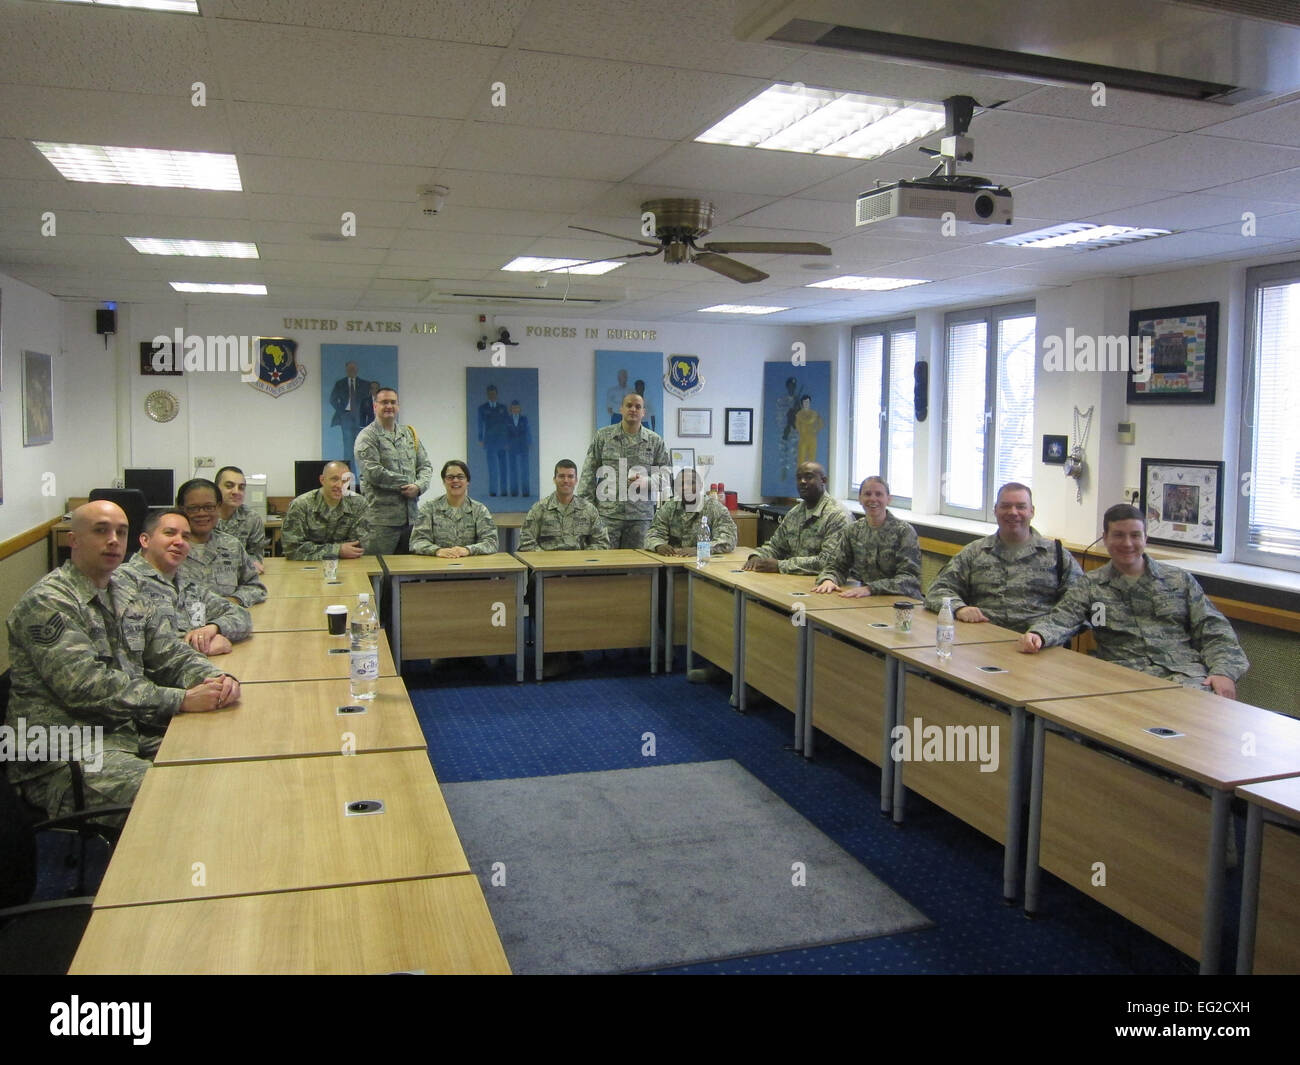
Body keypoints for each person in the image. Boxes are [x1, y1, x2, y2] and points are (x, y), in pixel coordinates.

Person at [5, 501, 238, 818]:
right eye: (101, 531)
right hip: (66, 753)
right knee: (178, 798)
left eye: (121, 531)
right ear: (74, 540)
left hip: (128, 731)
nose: (113, 539)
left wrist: (215, 680)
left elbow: (167, 651)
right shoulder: (48, 602)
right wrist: (180, 699)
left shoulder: (125, 591)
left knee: (229, 760)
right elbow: (86, 687)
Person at [1019, 503, 1249, 696]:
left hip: (1185, 678)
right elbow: (1062, 619)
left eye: (1135, 535)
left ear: (1145, 538)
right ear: (1105, 539)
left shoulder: (1178, 580)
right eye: (1118, 535)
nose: (1127, 543)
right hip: (1120, 679)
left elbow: (1215, 631)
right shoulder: (1091, 585)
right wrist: (1038, 635)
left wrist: (1223, 672)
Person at [924, 482, 1083, 632]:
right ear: (995, 510)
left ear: (1032, 511)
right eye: (1005, 506)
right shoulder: (975, 552)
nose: (1013, 512)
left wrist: (1045, 633)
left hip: (1039, 643)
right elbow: (937, 590)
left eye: (1021, 507)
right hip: (982, 639)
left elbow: (1079, 604)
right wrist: (959, 608)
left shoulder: (1056, 555)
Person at [119, 509, 252, 655]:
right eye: (169, 533)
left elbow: (242, 617)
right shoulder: (124, 581)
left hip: (201, 671)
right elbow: (133, 646)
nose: (179, 542)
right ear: (145, 540)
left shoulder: (188, 586)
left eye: (186, 537)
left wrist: (213, 628)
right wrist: (200, 646)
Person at [578, 391, 670, 548]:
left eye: (637, 406)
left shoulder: (655, 441)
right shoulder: (603, 437)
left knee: (639, 567)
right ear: (621, 409)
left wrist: (647, 481)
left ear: (643, 412)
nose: (633, 409)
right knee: (605, 566)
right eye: (629, 405)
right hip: (607, 516)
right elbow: (588, 475)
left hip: (640, 518)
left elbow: (666, 477)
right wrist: (587, 512)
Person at [814, 476, 922, 598]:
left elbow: (909, 579)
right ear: (860, 499)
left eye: (879, 494)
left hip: (902, 602)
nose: (873, 499)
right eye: (867, 494)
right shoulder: (853, 530)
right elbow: (836, 566)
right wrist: (829, 580)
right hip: (868, 599)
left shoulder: (904, 532)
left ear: (889, 499)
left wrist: (871, 588)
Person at [354, 386, 432, 554]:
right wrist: (407, 484)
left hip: (411, 519)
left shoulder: (409, 434)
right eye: (384, 402)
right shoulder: (367, 437)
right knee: (377, 574)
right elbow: (373, 472)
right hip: (380, 523)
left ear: (398, 406)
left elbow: (425, 466)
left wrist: (418, 487)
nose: (389, 406)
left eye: (393, 402)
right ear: (375, 406)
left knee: (408, 575)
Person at [743, 461, 849, 575]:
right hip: (793, 579)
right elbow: (775, 546)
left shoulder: (837, 515)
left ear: (823, 481)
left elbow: (829, 562)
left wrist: (780, 565)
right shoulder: (795, 513)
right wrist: (756, 557)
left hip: (825, 585)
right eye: (799, 478)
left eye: (809, 477)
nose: (802, 482)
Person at [176, 479, 267, 606]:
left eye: (209, 507)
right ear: (181, 509)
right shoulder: (169, 547)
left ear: (218, 507)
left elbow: (256, 587)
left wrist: (233, 601)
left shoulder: (231, 545)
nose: (202, 513)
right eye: (193, 508)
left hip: (226, 621)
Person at [281, 460, 372, 560]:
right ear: (322, 480)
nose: (340, 485)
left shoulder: (359, 504)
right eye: (334, 479)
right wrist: (337, 550)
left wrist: (316, 550)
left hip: (347, 565)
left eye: (345, 481)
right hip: (306, 567)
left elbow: (357, 546)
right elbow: (292, 549)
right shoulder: (301, 505)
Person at [410, 460, 498, 556]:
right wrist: (437, 551)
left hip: (471, 566)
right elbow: (417, 542)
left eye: (460, 477)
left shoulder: (479, 510)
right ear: (444, 481)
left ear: (467, 481)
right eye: (450, 477)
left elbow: (491, 542)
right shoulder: (429, 508)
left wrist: (467, 550)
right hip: (437, 565)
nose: (455, 480)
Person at [519, 460, 610, 551]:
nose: (566, 480)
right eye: (561, 476)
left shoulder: (589, 510)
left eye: (570, 476)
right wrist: (545, 559)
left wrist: (582, 558)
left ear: (576, 480)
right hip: (548, 563)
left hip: (580, 563)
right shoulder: (539, 509)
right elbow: (525, 542)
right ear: (554, 479)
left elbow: (602, 543)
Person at [645, 468, 738, 556]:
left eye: (691, 483)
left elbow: (728, 539)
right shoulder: (669, 507)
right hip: (674, 561)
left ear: (700, 485)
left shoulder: (715, 508)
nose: (685, 487)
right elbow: (653, 534)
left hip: (704, 562)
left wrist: (700, 550)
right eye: (681, 484)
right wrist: (658, 545)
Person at [214, 464, 266, 572]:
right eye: (229, 486)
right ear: (216, 488)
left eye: (241, 487)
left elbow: (256, 556)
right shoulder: (205, 516)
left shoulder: (252, 518)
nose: (236, 492)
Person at [329, 361, 371, 478]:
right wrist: (341, 412)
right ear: (346, 370)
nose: (351, 371)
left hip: (361, 420)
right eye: (349, 369)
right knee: (348, 450)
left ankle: (364, 478)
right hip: (346, 418)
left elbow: (369, 401)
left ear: (357, 370)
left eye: (353, 369)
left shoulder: (365, 384)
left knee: (363, 449)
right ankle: (350, 477)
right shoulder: (340, 384)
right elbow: (332, 399)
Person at [477, 384, 511, 497]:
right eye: (490, 394)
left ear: (497, 394)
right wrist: (480, 438)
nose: (492, 395)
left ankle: (504, 490)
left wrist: (507, 441)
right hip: (490, 441)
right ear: (487, 395)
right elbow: (480, 424)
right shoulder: (483, 408)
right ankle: (493, 491)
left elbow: (507, 425)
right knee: (492, 467)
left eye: (494, 393)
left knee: (503, 467)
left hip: (502, 441)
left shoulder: (503, 408)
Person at [506, 400, 531, 497]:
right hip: (511, 446)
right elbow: (505, 433)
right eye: (513, 408)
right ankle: (514, 492)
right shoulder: (507, 420)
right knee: (513, 470)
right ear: (511, 409)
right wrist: (506, 444)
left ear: (520, 409)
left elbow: (528, 431)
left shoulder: (524, 419)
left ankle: (525, 492)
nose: (515, 409)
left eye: (517, 408)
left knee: (524, 470)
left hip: (523, 446)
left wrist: (529, 442)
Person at [794, 394, 823, 466]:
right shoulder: (799, 414)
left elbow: (820, 424)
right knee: (801, 458)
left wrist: (815, 430)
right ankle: (801, 475)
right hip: (803, 439)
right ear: (802, 403)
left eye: (807, 402)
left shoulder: (814, 414)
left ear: (810, 403)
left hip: (812, 439)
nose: (806, 404)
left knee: (812, 459)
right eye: (804, 402)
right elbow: (797, 425)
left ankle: (810, 475)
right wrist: (801, 432)